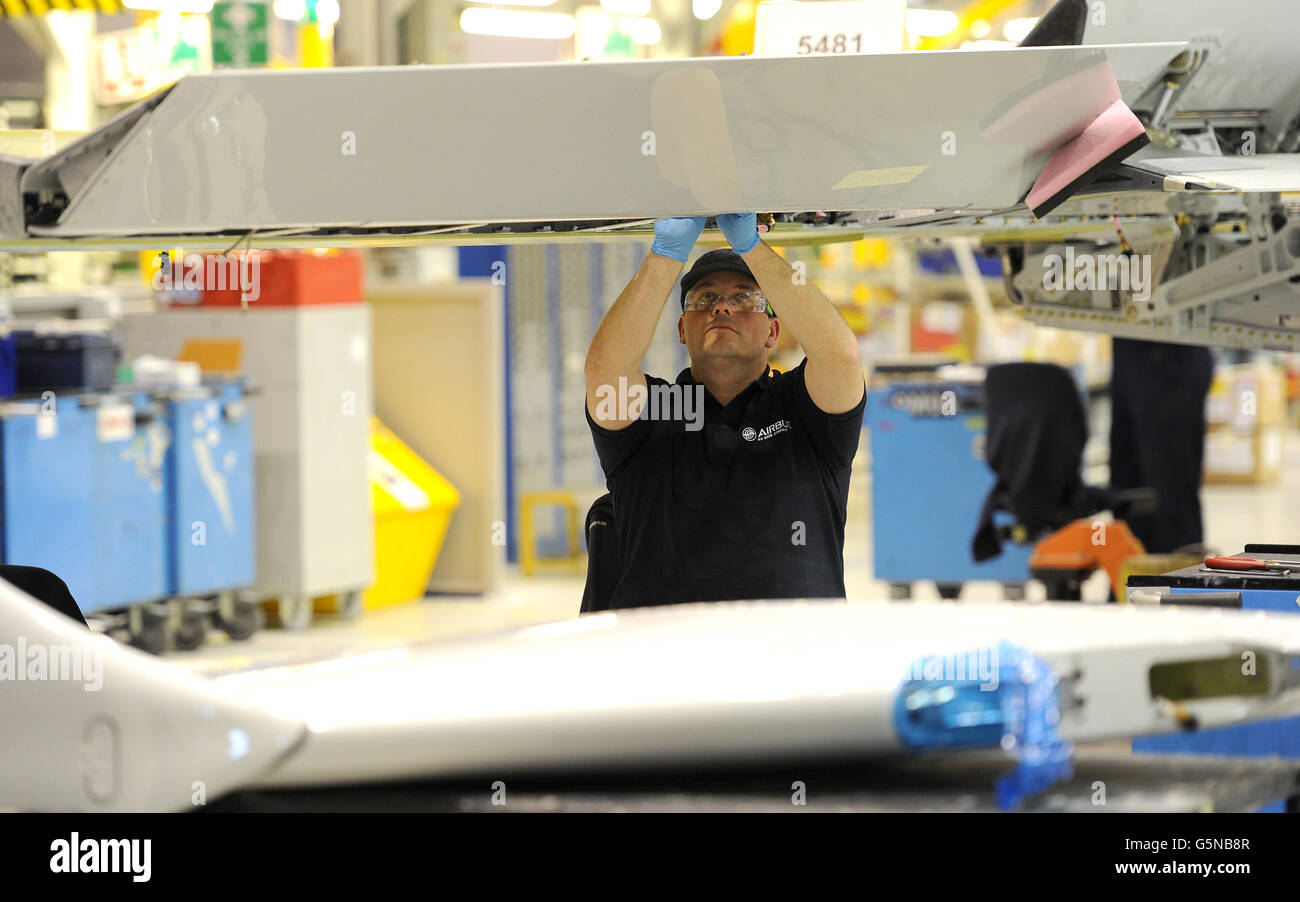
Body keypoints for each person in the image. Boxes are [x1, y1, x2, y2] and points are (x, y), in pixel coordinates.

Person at [582, 214, 866, 610]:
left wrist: (752, 247)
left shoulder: (801, 409)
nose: (722, 309)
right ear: (682, 330)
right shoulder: (656, 413)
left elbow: (841, 357)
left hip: (795, 656)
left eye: (744, 299)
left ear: (773, 332)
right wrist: (665, 256)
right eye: (704, 299)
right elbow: (604, 374)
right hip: (660, 657)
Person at [1108, 337, 1214, 553]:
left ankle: (1176, 580)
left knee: (1170, 495)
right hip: (1129, 344)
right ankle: (1128, 580)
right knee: (1126, 488)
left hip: (1170, 347)